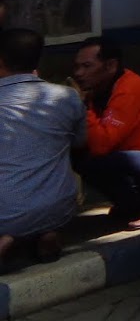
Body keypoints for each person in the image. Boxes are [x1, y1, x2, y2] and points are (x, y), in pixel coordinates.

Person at [71, 40, 140, 229]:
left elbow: (101, 145)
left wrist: (83, 107)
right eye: (77, 67)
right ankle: (131, 204)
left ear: (111, 66)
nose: (79, 73)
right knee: (79, 156)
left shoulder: (129, 90)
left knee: (107, 161)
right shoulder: (102, 88)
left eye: (87, 66)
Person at [0, 28, 86, 269]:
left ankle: (8, 236)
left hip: (7, 212)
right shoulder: (68, 97)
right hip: (61, 209)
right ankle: (44, 232)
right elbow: (80, 143)